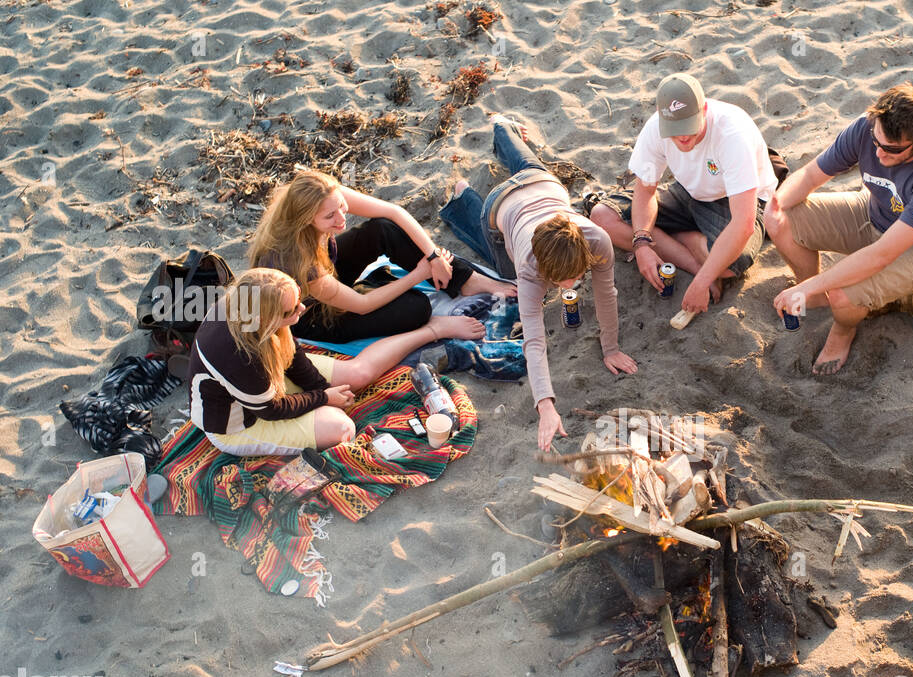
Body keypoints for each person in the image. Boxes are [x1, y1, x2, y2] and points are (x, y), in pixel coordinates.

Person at [439, 114, 638, 450]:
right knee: (503, 274)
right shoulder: (530, 270)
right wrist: (545, 405)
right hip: (500, 208)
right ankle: (464, 199)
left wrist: (611, 347)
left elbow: (607, 294)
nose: (570, 283)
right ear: (543, 270)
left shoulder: (598, 240)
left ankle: (504, 128)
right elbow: (534, 340)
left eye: (576, 274)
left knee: (527, 165)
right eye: (559, 279)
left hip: (543, 183)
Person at [766, 83, 913, 374]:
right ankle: (814, 297)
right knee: (783, 219)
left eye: (891, 149)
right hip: (874, 210)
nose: (880, 154)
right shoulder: (868, 127)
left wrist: (813, 285)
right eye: (876, 143)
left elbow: (881, 255)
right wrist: (777, 206)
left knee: (842, 293)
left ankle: (843, 330)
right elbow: (811, 175)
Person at [188, 267, 450, 456]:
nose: (302, 310)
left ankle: (432, 331)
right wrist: (324, 399)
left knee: (356, 377)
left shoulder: (251, 307)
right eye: (291, 311)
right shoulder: (241, 356)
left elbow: (292, 355)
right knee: (341, 426)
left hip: (264, 384)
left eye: (299, 299)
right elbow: (271, 410)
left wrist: (322, 388)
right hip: (241, 422)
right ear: (267, 319)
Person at [248, 169, 515, 343]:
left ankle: (466, 281)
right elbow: (361, 306)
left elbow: (392, 213)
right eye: (330, 217)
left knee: (381, 230)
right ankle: (436, 324)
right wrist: (418, 274)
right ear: (306, 220)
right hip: (310, 313)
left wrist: (433, 257)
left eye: (341, 207)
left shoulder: (320, 193)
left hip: (329, 269)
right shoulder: (297, 259)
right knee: (418, 308)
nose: (342, 219)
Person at [589, 73, 778, 314]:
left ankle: (681, 240)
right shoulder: (654, 128)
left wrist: (700, 285)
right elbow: (645, 191)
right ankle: (692, 251)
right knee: (602, 216)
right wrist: (642, 244)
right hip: (688, 191)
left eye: (689, 125)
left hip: (736, 198)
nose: (683, 136)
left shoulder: (732, 134)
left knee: (730, 266)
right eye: (675, 129)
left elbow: (744, 223)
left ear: (704, 109)